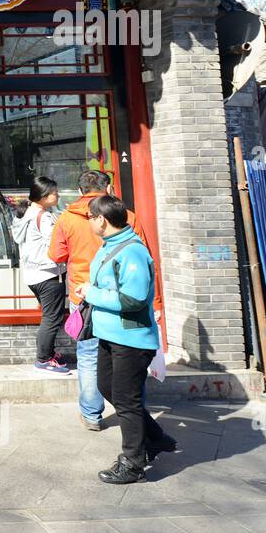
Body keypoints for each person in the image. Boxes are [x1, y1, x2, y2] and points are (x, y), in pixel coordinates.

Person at [72, 195, 176, 483]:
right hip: (108, 333)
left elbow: (132, 299)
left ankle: (133, 463)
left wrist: (91, 293)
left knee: (126, 401)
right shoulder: (111, 246)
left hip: (130, 337)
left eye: (91, 217)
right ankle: (155, 438)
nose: (90, 221)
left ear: (101, 220)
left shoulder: (131, 252)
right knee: (108, 388)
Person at [49, 170, 163, 431]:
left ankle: (91, 414)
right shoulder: (128, 217)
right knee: (127, 357)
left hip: (83, 294)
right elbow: (147, 261)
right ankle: (134, 414)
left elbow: (56, 255)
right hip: (122, 299)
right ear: (109, 188)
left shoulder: (67, 218)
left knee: (89, 355)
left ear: (79, 192)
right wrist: (155, 303)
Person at [11, 176, 69, 374]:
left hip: (33, 274)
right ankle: (44, 359)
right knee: (52, 318)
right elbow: (56, 245)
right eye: (54, 193)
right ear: (44, 196)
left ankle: (48, 353)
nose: (58, 195)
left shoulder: (25, 213)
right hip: (48, 273)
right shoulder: (43, 217)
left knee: (49, 316)